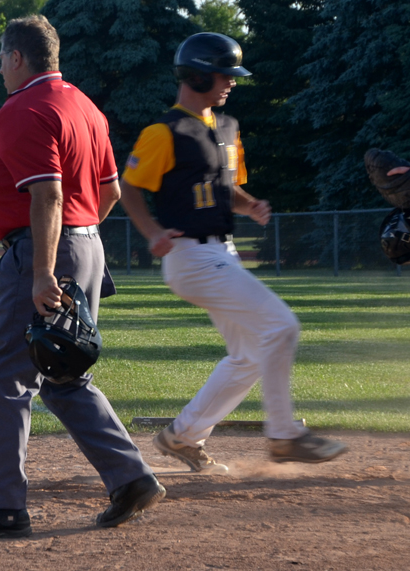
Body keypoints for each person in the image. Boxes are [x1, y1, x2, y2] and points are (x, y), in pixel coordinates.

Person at [0, 15, 165, 540]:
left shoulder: (24, 107)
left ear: (18, 57)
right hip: (87, 244)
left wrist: (45, 270)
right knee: (63, 372)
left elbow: (46, 194)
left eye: (1, 56)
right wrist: (76, 241)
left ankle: (0, 506)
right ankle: (131, 478)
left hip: (46, 249)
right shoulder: (85, 105)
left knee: (3, 376)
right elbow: (108, 191)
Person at [119, 32, 348, 474]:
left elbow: (226, 187)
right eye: (225, 74)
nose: (232, 82)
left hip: (223, 253)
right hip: (190, 257)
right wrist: (151, 232)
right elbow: (129, 189)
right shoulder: (163, 132)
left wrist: (250, 204)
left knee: (248, 356)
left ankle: (183, 436)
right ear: (199, 73)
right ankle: (284, 436)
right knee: (282, 327)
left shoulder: (227, 127)